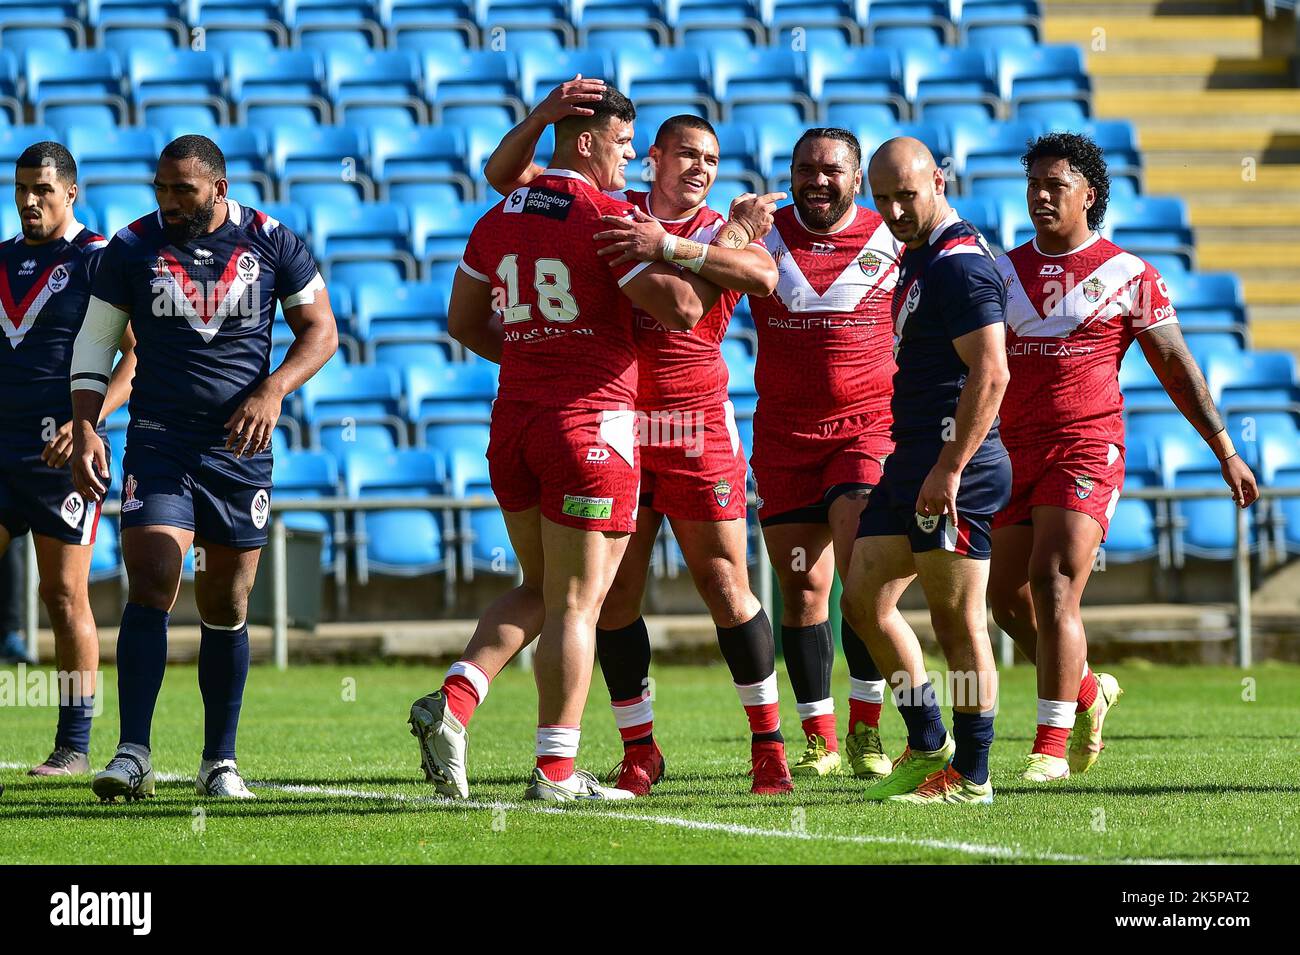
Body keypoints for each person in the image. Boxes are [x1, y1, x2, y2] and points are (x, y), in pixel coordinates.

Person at [407, 86, 726, 802]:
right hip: (591, 425)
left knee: (543, 590)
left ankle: (455, 702)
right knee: (580, 603)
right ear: (587, 143)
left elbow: (463, 321)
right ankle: (555, 771)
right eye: (621, 144)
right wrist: (704, 248)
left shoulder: (496, 218)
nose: (630, 159)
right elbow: (680, 311)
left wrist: (536, 356)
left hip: (514, 420)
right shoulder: (610, 218)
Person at [480, 80, 792, 796]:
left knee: (724, 584)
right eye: (687, 154)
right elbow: (505, 178)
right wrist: (547, 114)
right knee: (614, 599)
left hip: (695, 422)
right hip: (614, 421)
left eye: (712, 159)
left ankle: (768, 745)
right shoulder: (604, 209)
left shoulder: (720, 226)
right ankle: (640, 749)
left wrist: (677, 245)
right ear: (651, 157)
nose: (702, 169)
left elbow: (763, 275)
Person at [69, 135, 339, 802]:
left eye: (181, 190)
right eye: (160, 187)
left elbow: (322, 330)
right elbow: (95, 342)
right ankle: (133, 752)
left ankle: (219, 761)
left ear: (218, 188)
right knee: (155, 573)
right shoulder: (131, 247)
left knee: (226, 600)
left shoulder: (274, 241)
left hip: (239, 453)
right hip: (160, 442)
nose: (167, 200)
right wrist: (84, 425)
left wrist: (272, 391)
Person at [988, 132, 1259, 782]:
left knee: (1055, 582)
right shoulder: (1000, 272)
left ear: (1090, 195)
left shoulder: (1128, 274)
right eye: (1034, 185)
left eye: (1056, 185)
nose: (1041, 195)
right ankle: (1088, 690)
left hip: (1086, 446)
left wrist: (1224, 447)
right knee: (1006, 600)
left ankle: (1049, 747)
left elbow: (1175, 364)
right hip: (1011, 452)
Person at [842, 137, 1010, 805]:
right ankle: (929, 736)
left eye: (906, 195)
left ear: (937, 180)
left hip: (953, 467)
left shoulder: (959, 264)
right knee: (862, 599)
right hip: (912, 461)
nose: (893, 210)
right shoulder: (922, 256)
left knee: (958, 620)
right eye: (880, 198)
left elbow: (991, 370)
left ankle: (972, 774)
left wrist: (949, 466)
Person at [748, 128, 902, 780]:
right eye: (805, 168)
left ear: (856, 178)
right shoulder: (760, 236)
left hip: (866, 434)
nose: (818, 179)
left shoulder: (894, 242)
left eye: (832, 170)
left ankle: (867, 730)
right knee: (805, 588)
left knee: (862, 578)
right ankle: (821, 737)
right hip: (784, 439)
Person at [0, 141, 136, 775]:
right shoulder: (1, 261)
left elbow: (136, 354)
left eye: (43, 191)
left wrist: (89, 422)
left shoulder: (99, 260)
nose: (29, 201)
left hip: (63, 452)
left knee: (62, 593)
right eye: (22, 189)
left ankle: (74, 747)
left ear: (70, 193)